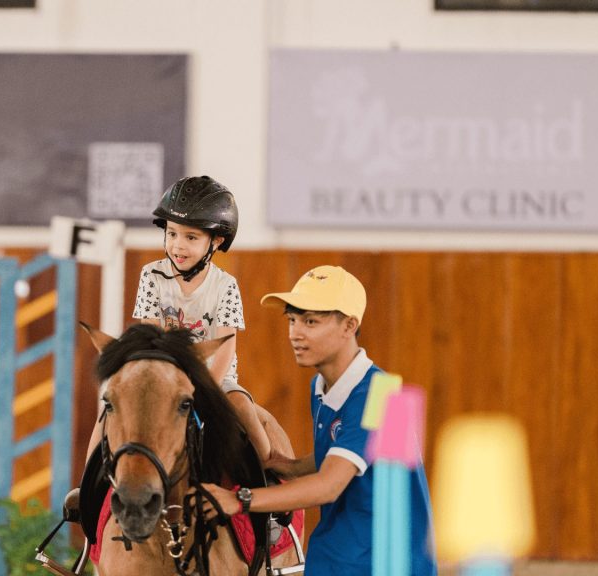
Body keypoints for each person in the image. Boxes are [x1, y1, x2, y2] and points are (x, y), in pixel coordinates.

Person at [200, 265, 437, 576]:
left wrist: (239, 500)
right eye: (292, 320)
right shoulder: (321, 387)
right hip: (334, 556)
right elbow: (355, 454)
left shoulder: (383, 395)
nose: (295, 333)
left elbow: (329, 486)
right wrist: (293, 466)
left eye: (310, 321)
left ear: (349, 325)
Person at [85, 175, 272, 463]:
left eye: (191, 237)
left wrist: (203, 389)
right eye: (172, 234)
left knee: (242, 406)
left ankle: (271, 473)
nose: (178, 246)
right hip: (163, 376)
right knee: (108, 407)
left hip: (213, 380)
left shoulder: (226, 285)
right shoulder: (151, 275)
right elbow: (150, 338)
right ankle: (87, 489)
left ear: (216, 241)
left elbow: (225, 347)